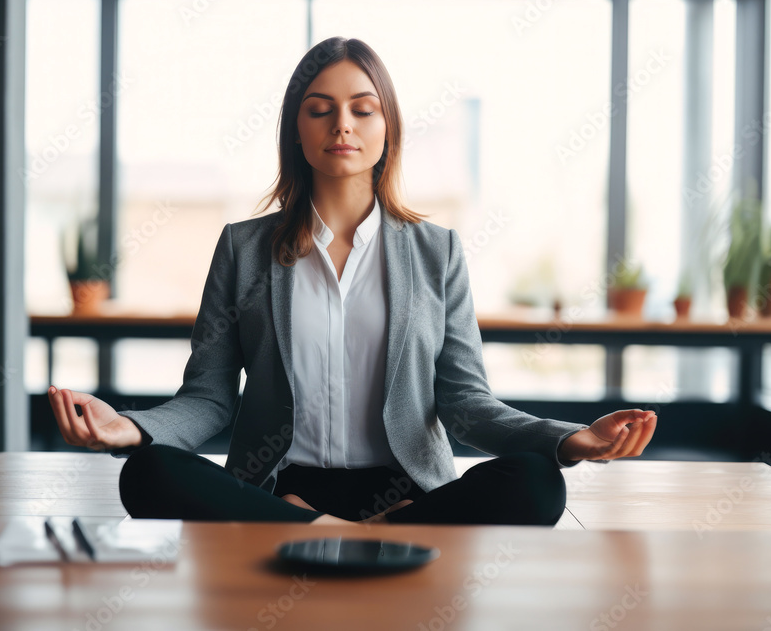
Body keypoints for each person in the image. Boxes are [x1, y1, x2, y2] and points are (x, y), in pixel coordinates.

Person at [48, 36, 657, 527]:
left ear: (386, 126)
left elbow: (466, 405)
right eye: (321, 109)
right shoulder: (243, 247)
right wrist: (130, 428)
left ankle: (372, 529)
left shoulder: (435, 251)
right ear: (297, 128)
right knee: (147, 473)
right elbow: (209, 399)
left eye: (362, 109)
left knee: (537, 483)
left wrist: (572, 440)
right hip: (278, 491)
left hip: (409, 494)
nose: (342, 123)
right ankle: (316, 527)